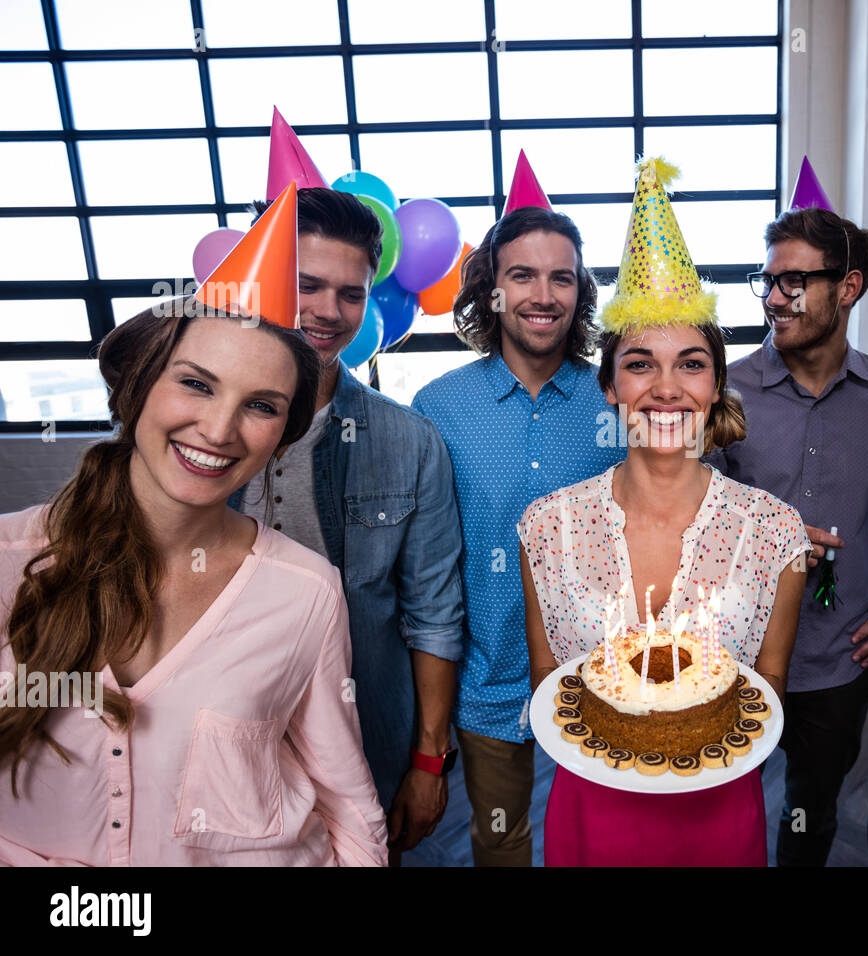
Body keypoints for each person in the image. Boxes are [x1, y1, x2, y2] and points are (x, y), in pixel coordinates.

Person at [0, 194, 387, 864]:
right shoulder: (9, 560)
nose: (217, 430)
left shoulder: (306, 594)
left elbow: (347, 801)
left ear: (282, 440)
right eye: (197, 385)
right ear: (139, 389)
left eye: (260, 406)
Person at [519, 157, 810, 866]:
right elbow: (549, 687)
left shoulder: (776, 532)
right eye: (640, 363)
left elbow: (766, 689)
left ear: (715, 385)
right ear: (611, 387)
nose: (666, 389)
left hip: (719, 811)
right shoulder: (545, 526)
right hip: (592, 810)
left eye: (691, 363)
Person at [229, 186, 465, 866]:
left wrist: (428, 763)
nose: (330, 312)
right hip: (225, 738)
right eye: (307, 286)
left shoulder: (409, 440)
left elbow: (435, 615)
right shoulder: (200, 430)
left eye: (351, 293)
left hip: (367, 741)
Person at [707, 187, 868, 867]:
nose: (774, 299)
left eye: (795, 282)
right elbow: (688, 514)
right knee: (721, 811)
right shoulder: (723, 391)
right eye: (768, 281)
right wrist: (765, 537)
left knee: (811, 813)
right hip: (732, 654)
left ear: (849, 287)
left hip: (840, 658)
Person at [412, 196, 624, 866]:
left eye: (562, 277)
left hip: (600, 681)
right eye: (523, 275)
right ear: (491, 290)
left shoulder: (618, 401)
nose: (544, 294)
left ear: (581, 292)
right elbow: (427, 566)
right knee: (500, 840)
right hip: (486, 678)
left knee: (602, 839)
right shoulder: (439, 406)